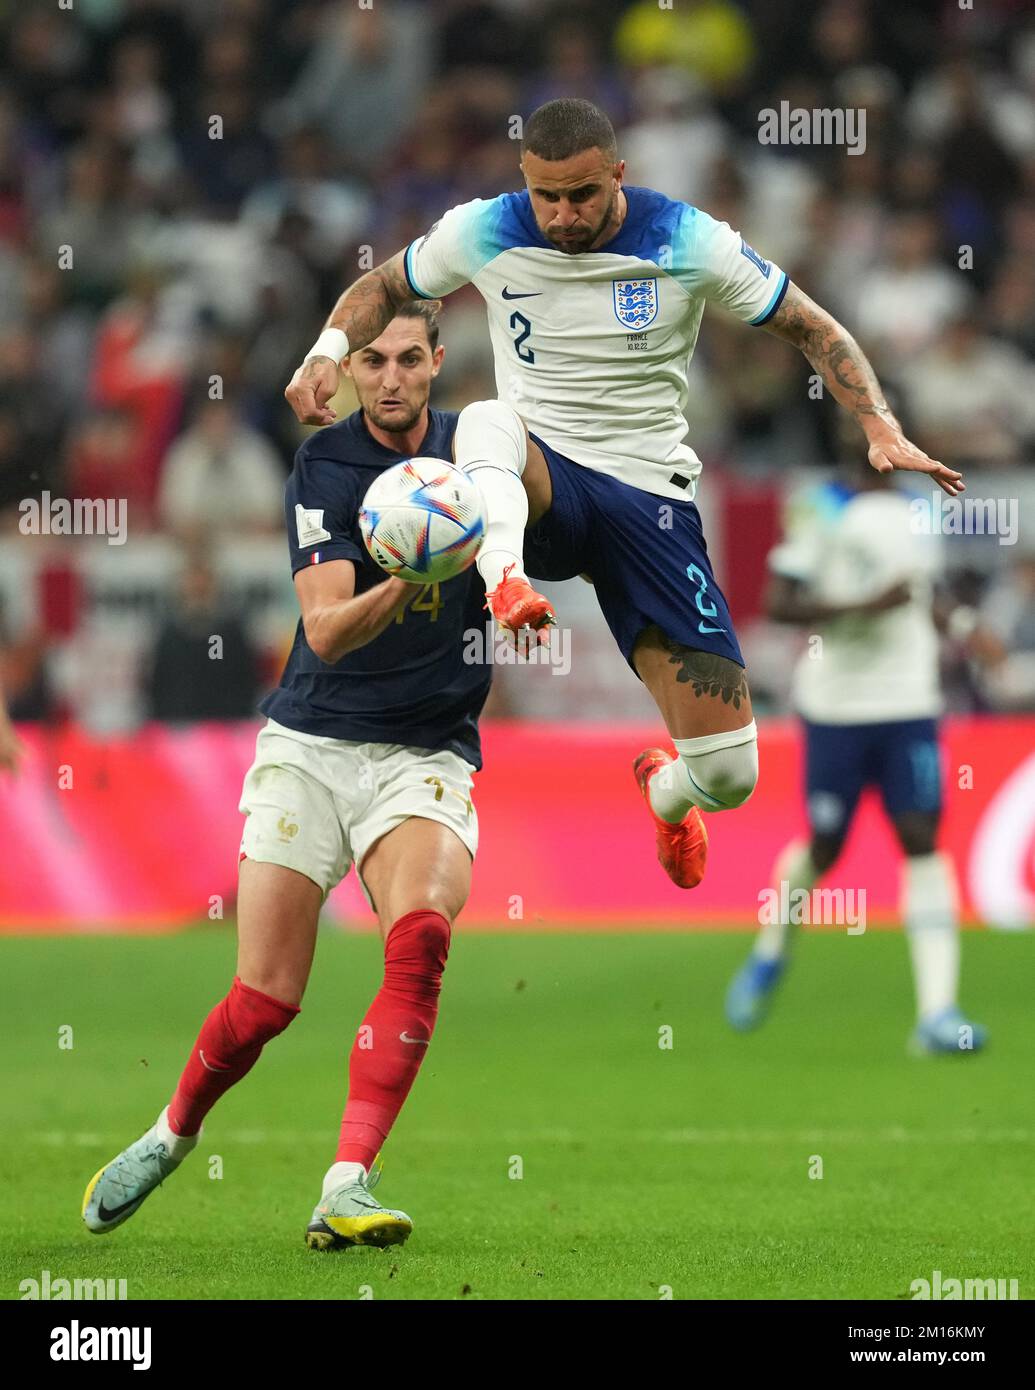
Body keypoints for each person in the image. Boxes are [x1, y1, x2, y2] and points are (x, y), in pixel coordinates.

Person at [285, 98, 964, 898]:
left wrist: (877, 424)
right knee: (485, 418)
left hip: (649, 499)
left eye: (582, 194)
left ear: (618, 175)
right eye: (547, 196)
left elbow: (815, 328)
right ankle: (503, 577)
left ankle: (667, 792)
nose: (563, 214)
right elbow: (380, 282)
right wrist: (326, 350)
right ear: (524, 181)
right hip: (542, 484)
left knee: (731, 774)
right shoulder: (485, 227)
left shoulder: (687, 238)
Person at [83, 301, 490, 1249]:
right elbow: (324, 630)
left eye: (408, 360)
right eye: (371, 362)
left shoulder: (482, 459)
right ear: (347, 371)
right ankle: (171, 1133)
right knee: (265, 1000)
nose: (390, 379)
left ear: (436, 362)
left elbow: (560, 531)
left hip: (423, 753)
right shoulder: (325, 465)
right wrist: (416, 565)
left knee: (421, 935)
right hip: (311, 745)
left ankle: (346, 1182)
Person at [725, 455, 987, 1055]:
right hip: (837, 708)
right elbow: (780, 603)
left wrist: (967, 626)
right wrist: (865, 607)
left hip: (910, 702)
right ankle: (772, 950)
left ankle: (938, 1013)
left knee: (922, 837)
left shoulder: (920, 513)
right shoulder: (821, 508)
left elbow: (923, 595)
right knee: (826, 848)